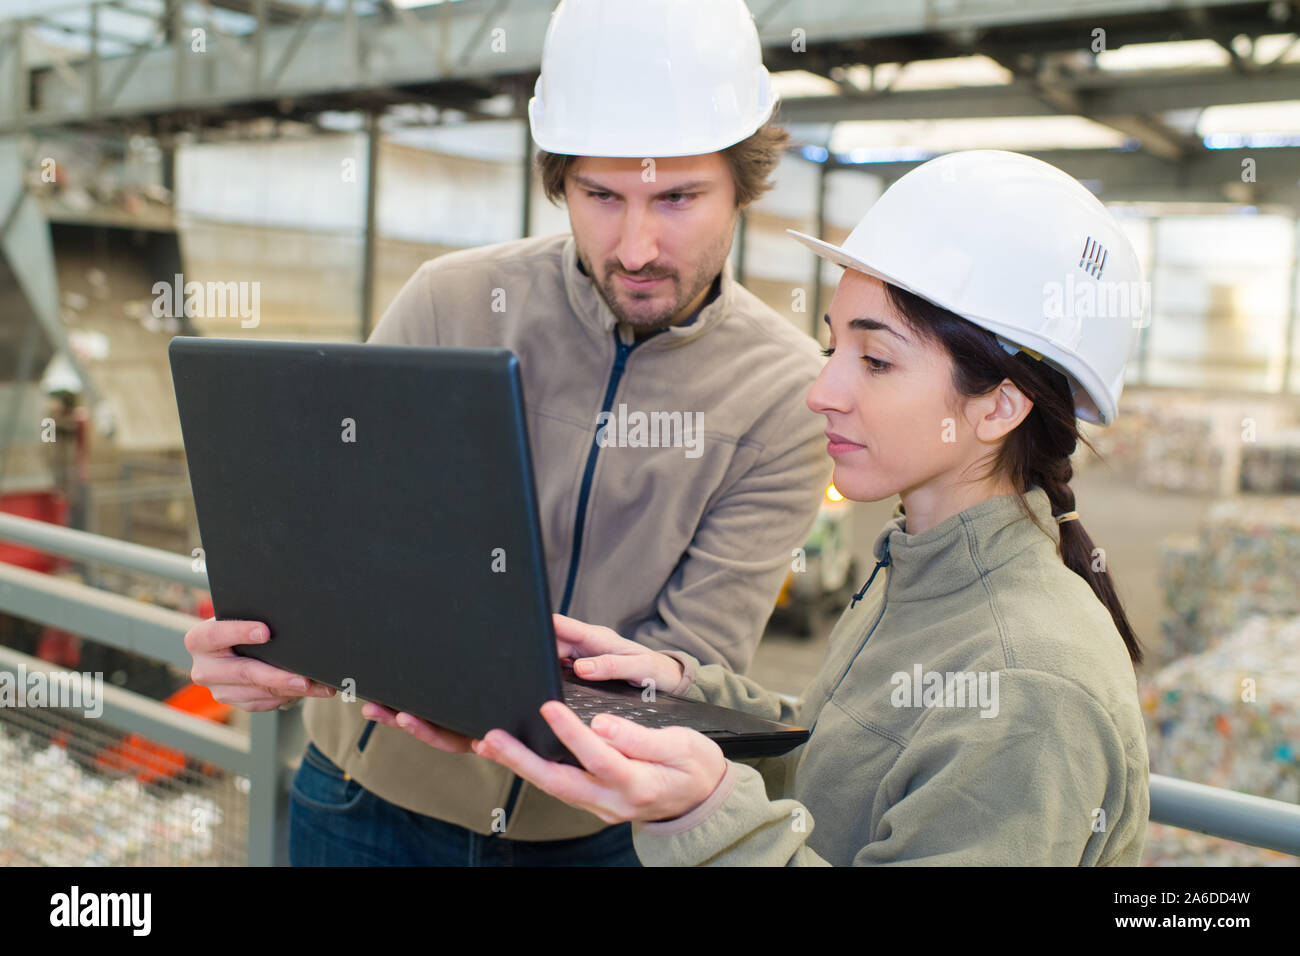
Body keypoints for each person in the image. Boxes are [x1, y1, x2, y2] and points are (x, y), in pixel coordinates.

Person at [181, 0, 832, 866]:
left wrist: (496, 714)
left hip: (589, 831)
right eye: (601, 196)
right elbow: (337, 541)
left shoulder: (787, 395)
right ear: (558, 180)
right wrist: (274, 644)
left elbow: (692, 662)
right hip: (367, 800)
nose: (635, 245)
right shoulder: (453, 300)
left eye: (677, 197)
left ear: (743, 186)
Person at [380, 149, 1153, 865]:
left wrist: (709, 815)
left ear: (998, 407)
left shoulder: (1032, 687)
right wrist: (681, 690)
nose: (822, 392)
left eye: (876, 360)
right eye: (833, 348)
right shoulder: (919, 576)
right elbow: (842, 761)